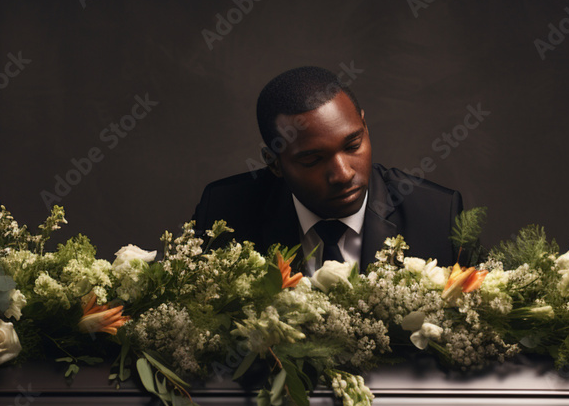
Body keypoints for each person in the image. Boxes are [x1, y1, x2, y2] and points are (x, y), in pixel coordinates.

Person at [193, 66, 463, 274]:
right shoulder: (223, 214)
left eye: (353, 146)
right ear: (274, 163)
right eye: (313, 160)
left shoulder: (438, 216)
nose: (343, 174)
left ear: (365, 127)